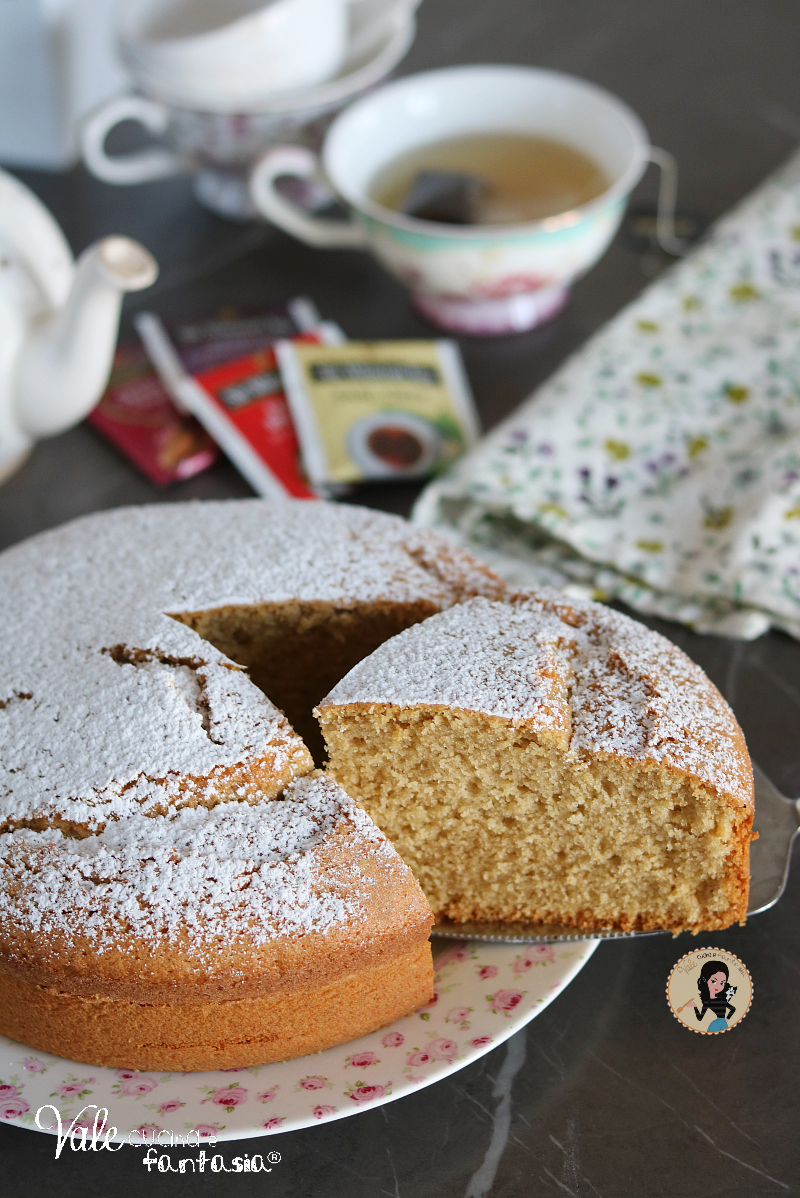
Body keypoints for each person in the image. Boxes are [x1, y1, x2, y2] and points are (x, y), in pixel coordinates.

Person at [681, 960, 736, 1031]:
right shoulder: (707, 1002)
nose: (718, 986)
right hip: (715, 1025)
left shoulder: (721, 999)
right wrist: (694, 1006)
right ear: (705, 980)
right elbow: (700, 1018)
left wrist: (727, 1019)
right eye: (713, 981)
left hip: (724, 1024)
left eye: (722, 983)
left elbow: (733, 1009)